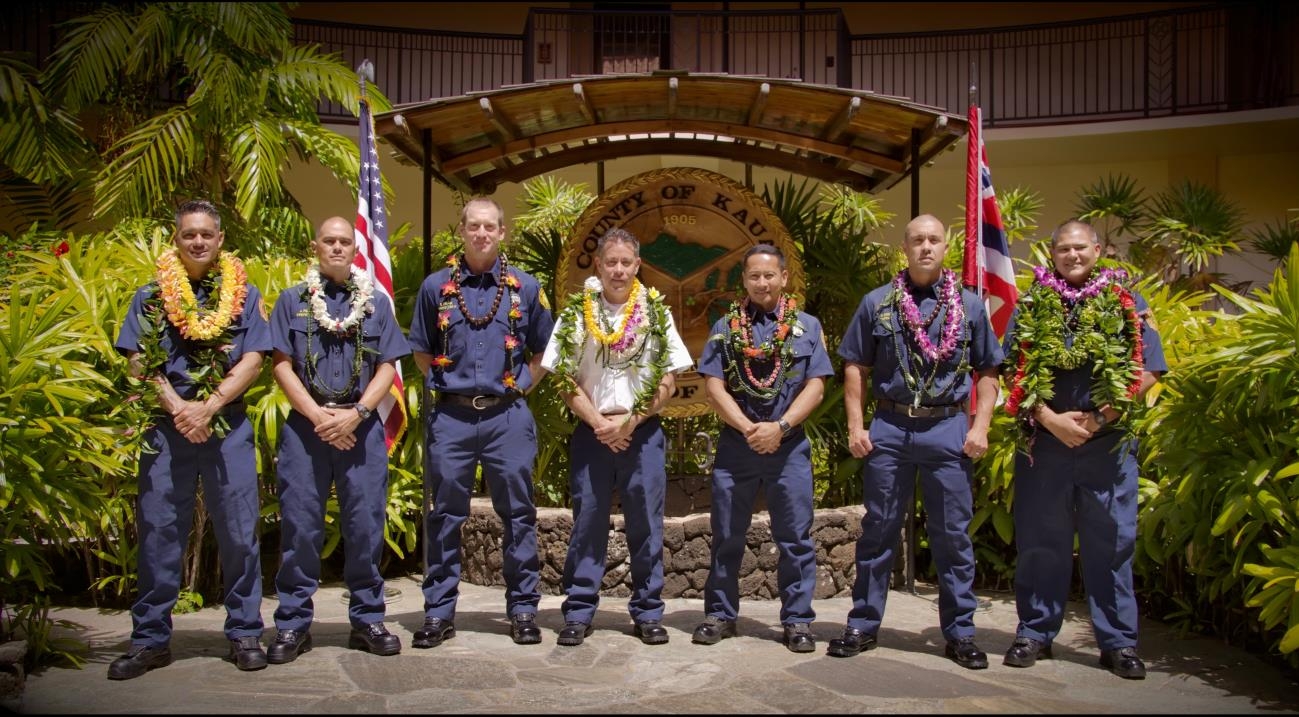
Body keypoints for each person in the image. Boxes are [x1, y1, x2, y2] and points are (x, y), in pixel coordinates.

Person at [828, 213, 1002, 669]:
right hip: (890, 426)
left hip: (947, 429)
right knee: (879, 530)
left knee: (952, 537)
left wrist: (980, 426)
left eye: (934, 240)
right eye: (918, 240)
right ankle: (863, 624)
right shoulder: (877, 303)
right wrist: (855, 427)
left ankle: (961, 633)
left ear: (946, 247)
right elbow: (855, 365)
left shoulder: (969, 305)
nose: (926, 247)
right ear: (904, 248)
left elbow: (988, 371)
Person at [109, 199, 271, 679]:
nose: (197, 241)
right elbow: (139, 360)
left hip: (227, 427)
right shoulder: (150, 296)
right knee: (160, 534)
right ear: (175, 240)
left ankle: (244, 633)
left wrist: (210, 405)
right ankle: (150, 640)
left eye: (206, 234)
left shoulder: (243, 296)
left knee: (240, 533)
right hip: (167, 427)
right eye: (188, 235)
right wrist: (181, 409)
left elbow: (254, 359)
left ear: (220, 240)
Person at [999, 219, 1167, 679]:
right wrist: (1051, 420)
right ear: (1051, 254)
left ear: (1097, 249)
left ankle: (1118, 644)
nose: (1072, 256)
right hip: (1044, 447)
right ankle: (1035, 632)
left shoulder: (1127, 300)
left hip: (1106, 448)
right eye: (1063, 249)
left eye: (1080, 248)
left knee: (1110, 545)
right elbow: (1011, 369)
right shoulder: (1031, 304)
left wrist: (1098, 419)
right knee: (1040, 542)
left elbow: (1149, 369)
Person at [408, 196, 554, 647]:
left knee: (519, 516)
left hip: (506, 417)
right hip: (451, 417)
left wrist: (518, 387)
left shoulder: (525, 287)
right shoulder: (436, 287)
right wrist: (444, 379)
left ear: (502, 232)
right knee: (445, 516)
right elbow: (421, 348)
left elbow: (544, 352)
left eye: (490, 226)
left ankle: (524, 610)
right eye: (473, 226)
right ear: (462, 230)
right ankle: (438, 612)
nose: (482, 234)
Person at [263, 217, 410, 663]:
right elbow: (281, 363)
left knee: (365, 527)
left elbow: (389, 364)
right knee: (300, 529)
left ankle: (367, 618)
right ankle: (292, 624)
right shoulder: (292, 300)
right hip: (306, 431)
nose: (338, 247)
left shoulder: (376, 303)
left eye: (345, 241)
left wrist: (359, 413)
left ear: (355, 248)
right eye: (330, 241)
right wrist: (317, 416)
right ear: (316, 246)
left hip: (360, 429)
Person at [539, 227, 694, 646]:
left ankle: (647, 612)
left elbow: (668, 380)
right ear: (599, 265)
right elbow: (563, 379)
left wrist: (629, 423)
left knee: (646, 525)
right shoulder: (575, 313)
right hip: (592, 433)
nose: (619, 270)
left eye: (627, 262)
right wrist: (599, 423)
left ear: (638, 265)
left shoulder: (657, 314)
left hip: (640, 434)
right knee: (587, 523)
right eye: (612, 262)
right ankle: (579, 610)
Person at [691, 244, 833, 653]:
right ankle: (719, 614)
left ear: (784, 278)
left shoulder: (807, 326)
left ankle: (797, 621)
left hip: (789, 448)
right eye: (754, 276)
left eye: (769, 275)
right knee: (726, 535)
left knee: (795, 539)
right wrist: (750, 428)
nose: (762, 282)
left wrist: (781, 426)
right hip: (738, 447)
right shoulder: (724, 327)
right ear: (745, 280)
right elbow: (714, 385)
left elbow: (817, 385)